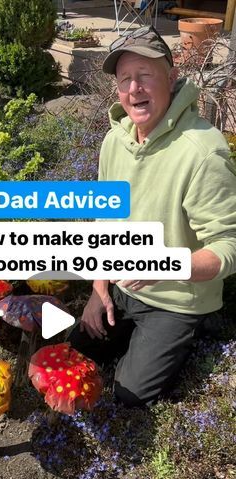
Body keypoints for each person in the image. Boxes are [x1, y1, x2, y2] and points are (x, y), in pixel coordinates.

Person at [69, 26, 236, 407]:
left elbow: (230, 245)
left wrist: (166, 265)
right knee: (76, 355)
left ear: (171, 78)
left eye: (145, 75)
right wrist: (98, 290)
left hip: (176, 299)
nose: (135, 88)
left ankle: (182, 339)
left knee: (128, 396)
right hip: (123, 287)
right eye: (125, 79)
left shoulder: (202, 151)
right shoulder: (115, 140)